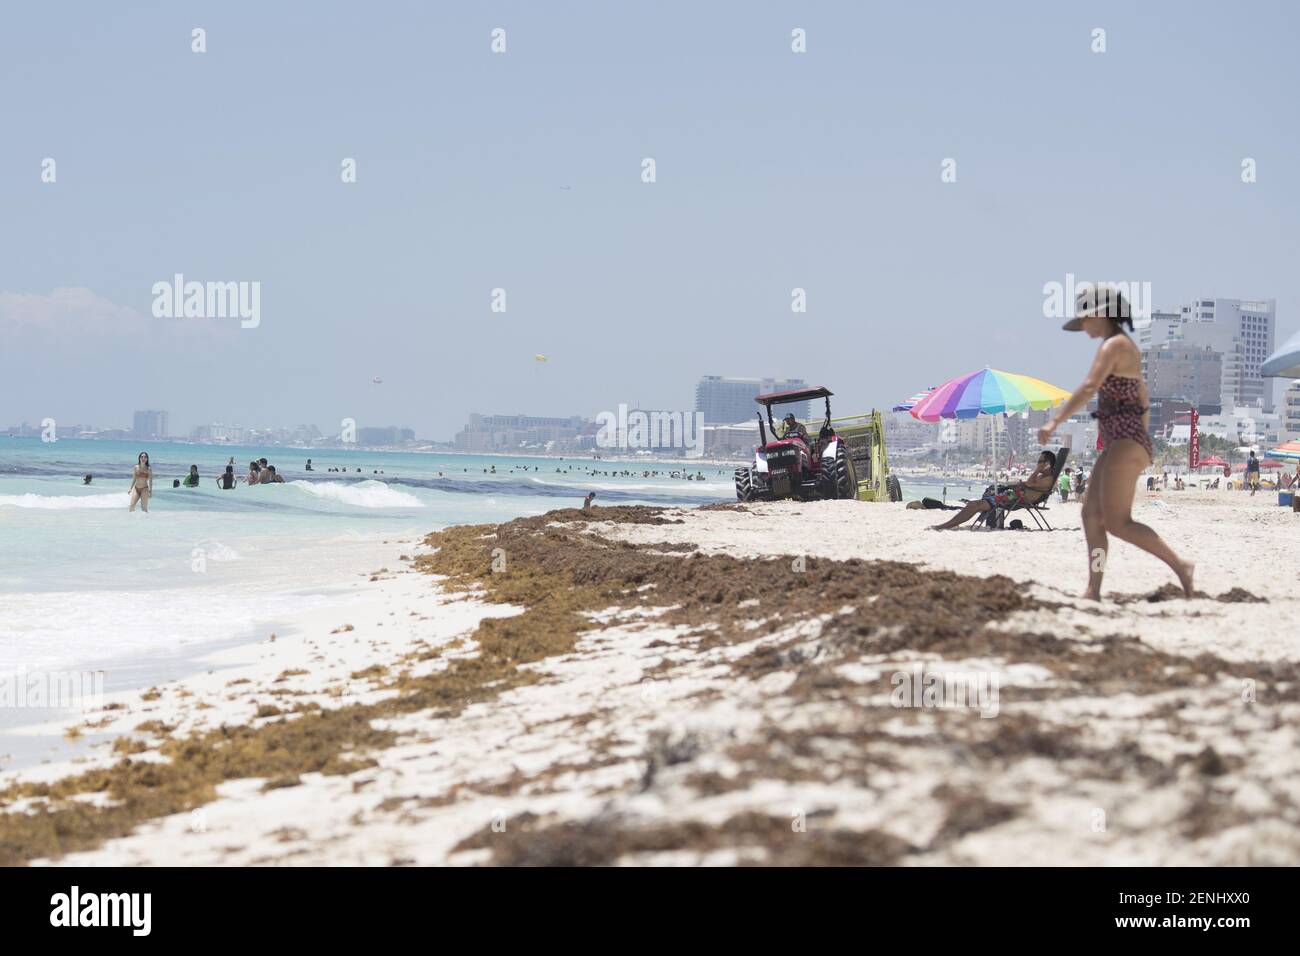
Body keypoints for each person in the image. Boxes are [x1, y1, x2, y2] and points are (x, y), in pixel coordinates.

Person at [1037, 284, 1193, 600]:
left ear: (1099, 313)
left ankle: (1180, 566)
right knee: (1090, 515)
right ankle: (1093, 589)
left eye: (1085, 319)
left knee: (1118, 523)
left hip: (1127, 443)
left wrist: (1055, 421)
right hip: (1119, 443)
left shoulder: (1116, 346)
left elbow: (1090, 385)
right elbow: (1142, 401)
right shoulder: (1118, 345)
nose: (1083, 327)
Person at [932, 450, 1057, 530]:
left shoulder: (1048, 479)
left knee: (975, 505)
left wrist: (1036, 471)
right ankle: (949, 524)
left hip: (1013, 500)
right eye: (1038, 461)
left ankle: (945, 526)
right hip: (1012, 497)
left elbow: (1029, 483)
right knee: (975, 504)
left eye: (1041, 461)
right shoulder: (1042, 477)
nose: (1038, 464)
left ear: (1048, 463)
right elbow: (1029, 484)